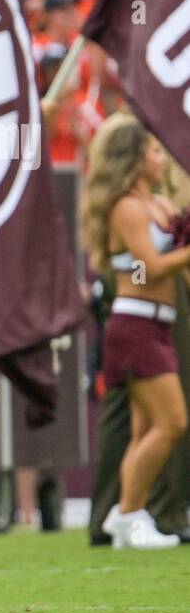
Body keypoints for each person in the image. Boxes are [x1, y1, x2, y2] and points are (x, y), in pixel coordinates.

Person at [81, 114, 186, 549]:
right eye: (154, 151)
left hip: (157, 324)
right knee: (172, 422)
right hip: (135, 321)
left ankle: (130, 515)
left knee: (145, 430)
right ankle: (126, 513)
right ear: (134, 157)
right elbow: (151, 267)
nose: (162, 159)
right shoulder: (126, 207)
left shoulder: (157, 204)